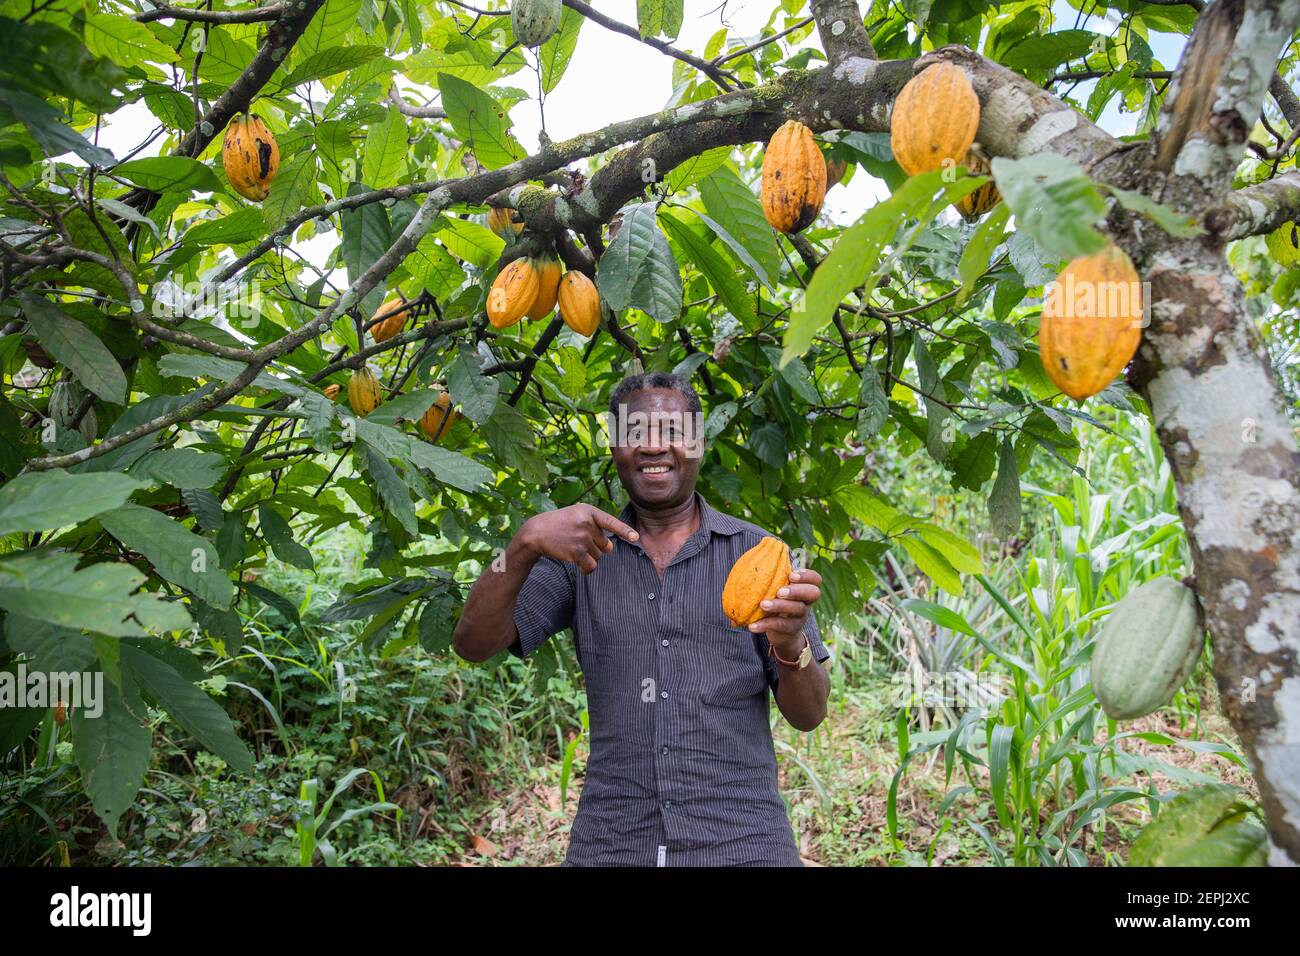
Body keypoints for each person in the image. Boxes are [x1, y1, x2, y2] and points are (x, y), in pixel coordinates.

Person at [453, 372, 830, 866]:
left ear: (698, 443)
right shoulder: (580, 555)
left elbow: (810, 715)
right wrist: (523, 544)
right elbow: (472, 642)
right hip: (615, 840)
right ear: (614, 447)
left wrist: (789, 645)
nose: (654, 448)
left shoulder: (759, 555)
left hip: (741, 841)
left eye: (672, 432)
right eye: (635, 434)